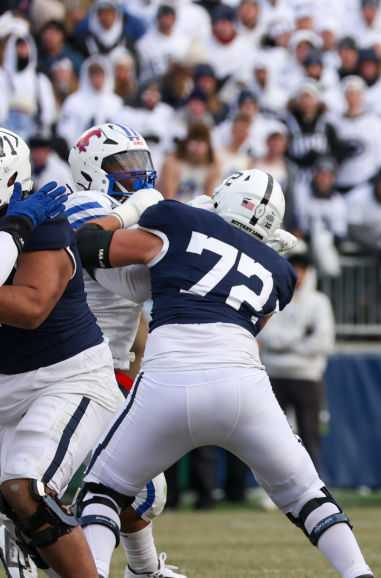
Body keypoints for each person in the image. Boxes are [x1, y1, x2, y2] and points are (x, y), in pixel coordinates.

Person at [72, 169, 373, 578]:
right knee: (307, 495)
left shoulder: (177, 220)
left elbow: (89, 245)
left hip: (170, 376)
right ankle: (359, 572)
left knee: (103, 490)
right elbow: (251, 322)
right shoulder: (279, 271)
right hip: (243, 385)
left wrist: (128, 211)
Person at [63, 123, 186, 578]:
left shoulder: (124, 212)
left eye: (141, 166)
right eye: (124, 167)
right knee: (138, 486)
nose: (138, 176)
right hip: (70, 368)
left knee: (133, 485)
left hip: (99, 364)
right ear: (92, 169)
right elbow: (102, 246)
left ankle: (143, 567)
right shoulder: (84, 204)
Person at [0, 127, 122, 578]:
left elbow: (31, 307)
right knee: (19, 506)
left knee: (26, 487)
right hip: (6, 386)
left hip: (66, 379)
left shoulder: (44, 222)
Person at [257, 248, 335, 472]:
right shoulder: (274, 298)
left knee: (310, 434)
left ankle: (314, 489)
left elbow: (323, 343)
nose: (298, 275)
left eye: (302, 270)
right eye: (294, 270)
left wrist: (280, 345)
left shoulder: (319, 302)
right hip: (273, 375)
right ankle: (272, 489)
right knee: (273, 436)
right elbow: (264, 335)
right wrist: (299, 337)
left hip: (307, 377)